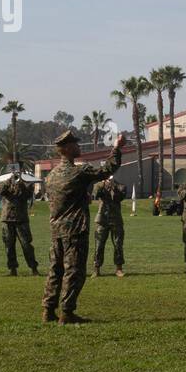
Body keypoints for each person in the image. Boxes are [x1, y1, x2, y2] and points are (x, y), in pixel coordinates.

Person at [42, 129, 125, 324]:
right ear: (69, 148)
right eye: (76, 144)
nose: (80, 147)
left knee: (55, 269)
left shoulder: (52, 175)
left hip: (56, 230)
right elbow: (107, 170)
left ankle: (47, 310)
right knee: (74, 271)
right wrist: (117, 148)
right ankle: (67, 312)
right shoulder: (79, 170)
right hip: (75, 229)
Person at [0, 170, 39, 276]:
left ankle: (33, 268)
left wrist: (22, 182)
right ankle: (12, 269)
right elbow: (0, 192)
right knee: (9, 245)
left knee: (26, 245)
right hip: (7, 219)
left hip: (21, 219)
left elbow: (28, 195)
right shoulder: (5, 182)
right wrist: (9, 181)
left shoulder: (27, 183)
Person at [92, 176, 127, 277]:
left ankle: (119, 269)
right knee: (99, 245)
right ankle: (96, 268)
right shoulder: (98, 185)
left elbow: (119, 197)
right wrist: (103, 184)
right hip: (102, 219)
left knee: (118, 245)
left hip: (116, 219)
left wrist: (113, 185)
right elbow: (96, 194)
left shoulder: (120, 186)